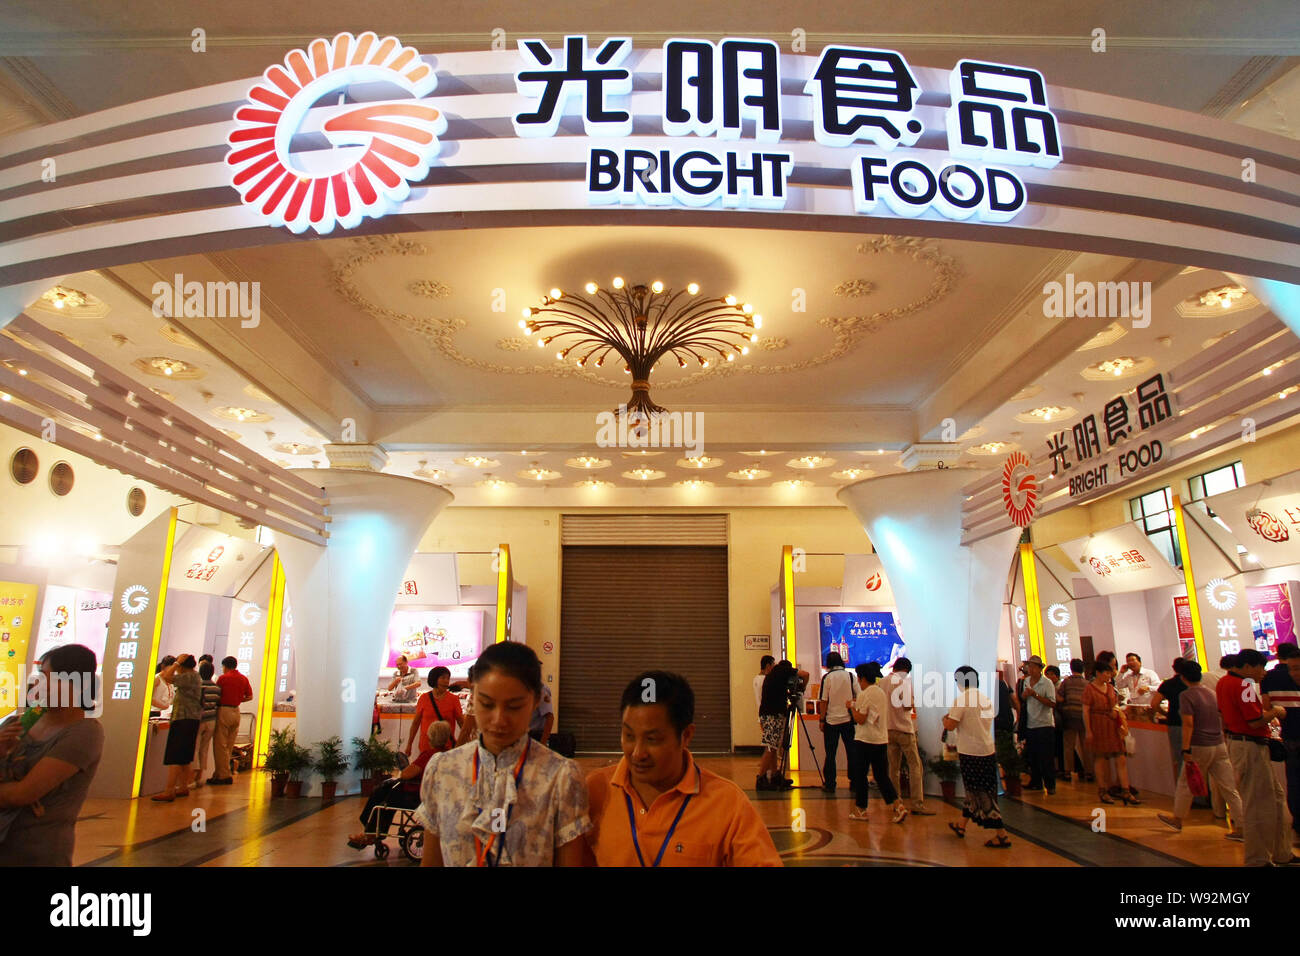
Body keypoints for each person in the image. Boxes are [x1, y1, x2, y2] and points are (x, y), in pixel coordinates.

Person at [416, 641, 590, 866]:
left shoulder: (561, 778)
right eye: (486, 704)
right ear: (473, 698)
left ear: (536, 701)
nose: (499, 720)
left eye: (514, 706)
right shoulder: (443, 770)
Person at [585, 670, 781, 866]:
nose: (637, 753)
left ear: (686, 735)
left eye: (652, 739)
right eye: (629, 736)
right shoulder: (594, 792)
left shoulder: (728, 804)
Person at [0, 644, 104, 866]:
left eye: (48, 677)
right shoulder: (15, 724)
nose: (39, 685)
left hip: (38, 853)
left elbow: (23, 794)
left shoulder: (85, 732)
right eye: (40, 677)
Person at [1218, 648, 1294, 866]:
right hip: (1250, 746)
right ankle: (1258, 859)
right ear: (1248, 666)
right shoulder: (1244, 686)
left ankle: (1281, 852)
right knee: (1258, 804)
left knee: (1276, 800)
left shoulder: (1224, 683)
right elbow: (1255, 721)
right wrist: (1276, 712)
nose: (1264, 672)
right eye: (1261, 667)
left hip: (1241, 743)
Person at [1155, 661, 1243, 839]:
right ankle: (1241, 827)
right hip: (1218, 744)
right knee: (1229, 787)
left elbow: (1188, 723)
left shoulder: (1187, 696)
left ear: (1183, 677)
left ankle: (1177, 819)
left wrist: (1186, 748)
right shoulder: (1212, 693)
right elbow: (1222, 716)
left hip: (1199, 744)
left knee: (1185, 783)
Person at [348, 720, 448, 850]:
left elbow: (406, 774)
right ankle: (371, 832)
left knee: (383, 797)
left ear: (430, 736)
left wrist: (404, 769)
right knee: (386, 792)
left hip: (415, 794)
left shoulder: (428, 755)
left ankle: (371, 833)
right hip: (430, 794)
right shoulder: (448, 753)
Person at [944, 666, 1011, 849]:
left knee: (982, 795)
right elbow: (986, 721)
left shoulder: (962, 700)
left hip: (970, 752)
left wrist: (945, 720)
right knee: (975, 791)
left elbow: (951, 724)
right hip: (987, 750)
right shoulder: (985, 699)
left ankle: (1002, 835)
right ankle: (961, 825)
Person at [847, 662, 909, 824]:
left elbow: (860, 719)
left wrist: (851, 707)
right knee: (882, 776)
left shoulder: (864, 694)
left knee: (860, 776)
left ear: (861, 679)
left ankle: (861, 809)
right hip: (881, 740)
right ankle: (898, 806)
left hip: (864, 740)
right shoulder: (880, 692)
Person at [1083, 659, 1140, 805]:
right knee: (1100, 758)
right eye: (1107, 673)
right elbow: (1085, 710)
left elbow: (1114, 704)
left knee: (1120, 757)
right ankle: (1103, 790)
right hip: (1098, 724)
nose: (1109, 675)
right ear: (1098, 673)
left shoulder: (1109, 687)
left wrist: (1115, 712)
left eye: (1110, 672)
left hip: (1112, 724)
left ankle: (1125, 790)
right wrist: (1088, 730)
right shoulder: (1089, 689)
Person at [1260, 643, 1300, 846]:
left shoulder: (1269, 679)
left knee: (1294, 783)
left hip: (1291, 737)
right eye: (1293, 668)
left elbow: (1265, 706)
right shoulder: (1261, 681)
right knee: (1294, 784)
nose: (1294, 673)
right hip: (1292, 738)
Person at [883, 657, 934, 814]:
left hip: (888, 729)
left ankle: (896, 802)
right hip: (904, 729)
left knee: (893, 768)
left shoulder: (883, 682)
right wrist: (912, 701)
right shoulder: (903, 683)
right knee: (915, 766)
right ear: (906, 670)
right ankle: (917, 804)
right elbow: (906, 705)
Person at [152, 654, 201, 801]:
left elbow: (166, 677)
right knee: (184, 757)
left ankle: (169, 790)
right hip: (190, 719)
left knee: (175, 756)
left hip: (183, 719)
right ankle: (183, 787)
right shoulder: (194, 676)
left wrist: (176, 663)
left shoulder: (188, 677)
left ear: (181, 667)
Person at [757, 659, 808, 790]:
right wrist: (802, 689)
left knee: (772, 745)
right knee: (770, 745)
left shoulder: (773, 675)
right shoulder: (783, 671)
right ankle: (761, 777)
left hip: (768, 714)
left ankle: (775, 775)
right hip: (773, 715)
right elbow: (805, 674)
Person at [209, 656, 252, 786]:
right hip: (236, 711)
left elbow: (216, 694)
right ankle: (221, 772)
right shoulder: (243, 678)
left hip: (224, 711)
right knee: (229, 744)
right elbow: (249, 696)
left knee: (220, 745)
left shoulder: (223, 678)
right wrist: (238, 699)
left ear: (225, 666)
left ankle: (223, 775)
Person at [818, 652, 856, 793]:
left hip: (831, 721)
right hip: (848, 720)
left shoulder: (827, 678)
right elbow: (858, 695)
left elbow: (823, 700)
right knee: (852, 752)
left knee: (830, 753)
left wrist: (821, 719)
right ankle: (854, 781)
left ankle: (830, 783)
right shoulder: (851, 676)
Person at [1021, 655, 1057, 795]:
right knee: (1033, 756)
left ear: (1038, 668)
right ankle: (1036, 782)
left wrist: (1035, 694)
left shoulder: (1047, 683)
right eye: (1028, 666)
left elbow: (1052, 703)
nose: (1029, 669)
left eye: (1032, 666)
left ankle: (1050, 784)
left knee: (1046, 756)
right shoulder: (1027, 681)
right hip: (1031, 723)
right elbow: (1023, 699)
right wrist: (1025, 695)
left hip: (1045, 724)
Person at [408, 666, 463, 757]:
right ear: (434, 679)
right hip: (426, 747)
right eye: (443, 678)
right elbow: (416, 723)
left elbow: (462, 723)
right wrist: (409, 744)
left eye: (448, 678)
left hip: (446, 748)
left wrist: (465, 743)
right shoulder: (424, 698)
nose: (446, 681)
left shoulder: (453, 699)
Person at [1151, 658, 1189, 785]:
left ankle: (1183, 791)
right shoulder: (1191, 683)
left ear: (1174, 668)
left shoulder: (1168, 684)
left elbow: (1154, 703)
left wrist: (1166, 714)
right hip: (1193, 724)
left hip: (1174, 723)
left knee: (1179, 759)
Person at [1058, 659, 1093, 783]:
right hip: (1083, 716)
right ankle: (1089, 772)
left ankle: (1067, 772)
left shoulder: (1066, 682)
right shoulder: (1087, 683)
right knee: (1086, 746)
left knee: (1068, 745)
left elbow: (1060, 697)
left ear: (1071, 668)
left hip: (1069, 716)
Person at [190, 659, 221, 790]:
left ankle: (192, 778)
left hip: (199, 720)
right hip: (211, 720)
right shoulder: (217, 688)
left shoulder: (198, 686)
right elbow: (217, 704)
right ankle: (200, 777)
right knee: (204, 749)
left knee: (194, 749)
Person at [1045, 664, 1065, 780]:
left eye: (1051, 674)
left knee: (1060, 745)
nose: (1048, 676)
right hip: (1051, 720)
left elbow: (1059, 701)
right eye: (1047, 674)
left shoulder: (1060, 686)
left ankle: (1061, 769)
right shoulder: (1050, 686)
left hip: (1058, 720)